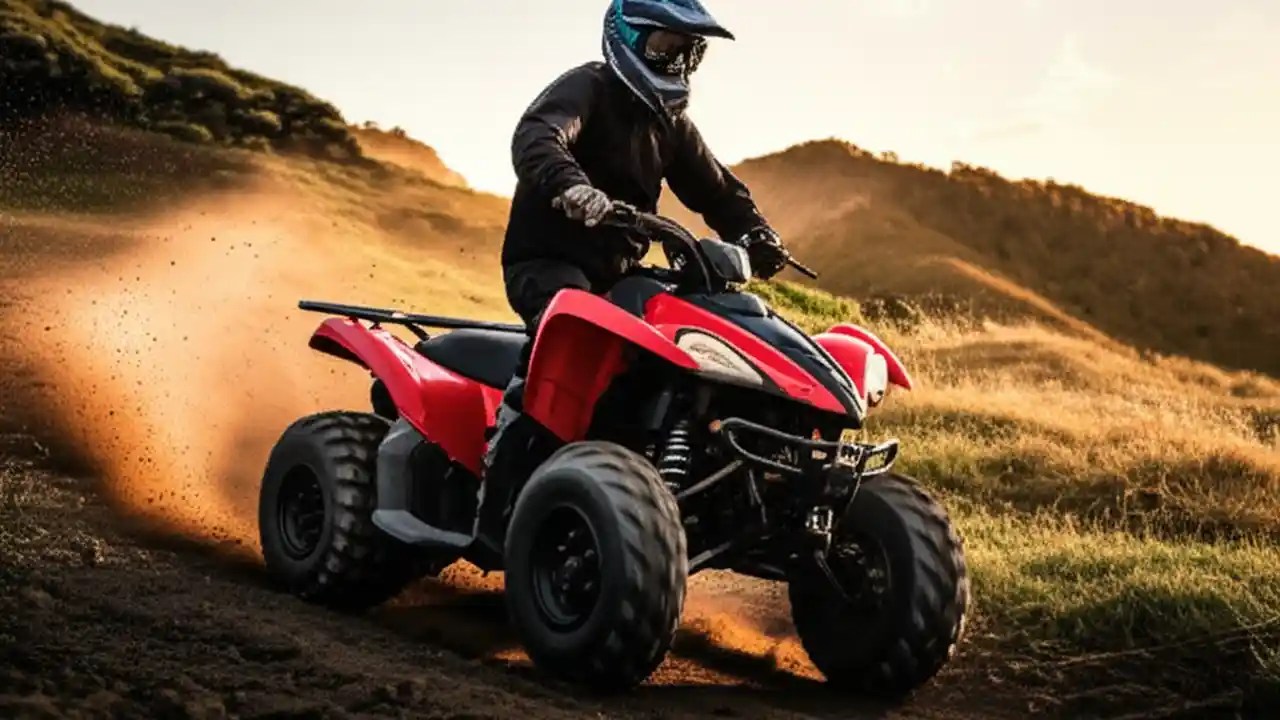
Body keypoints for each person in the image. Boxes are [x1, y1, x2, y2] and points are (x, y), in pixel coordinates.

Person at [472, 0, 790, 556]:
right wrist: (571, 187)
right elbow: (538, 136)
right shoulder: (586, 88)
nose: (677, 63)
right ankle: (498, 480)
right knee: (565, 333)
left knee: (671, 344)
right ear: (625, 37)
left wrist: (756, 232)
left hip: (617, 278)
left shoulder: (669, 125)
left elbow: (716, 189)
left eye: (688, 51)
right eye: (665, 47)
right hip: (545, 264)